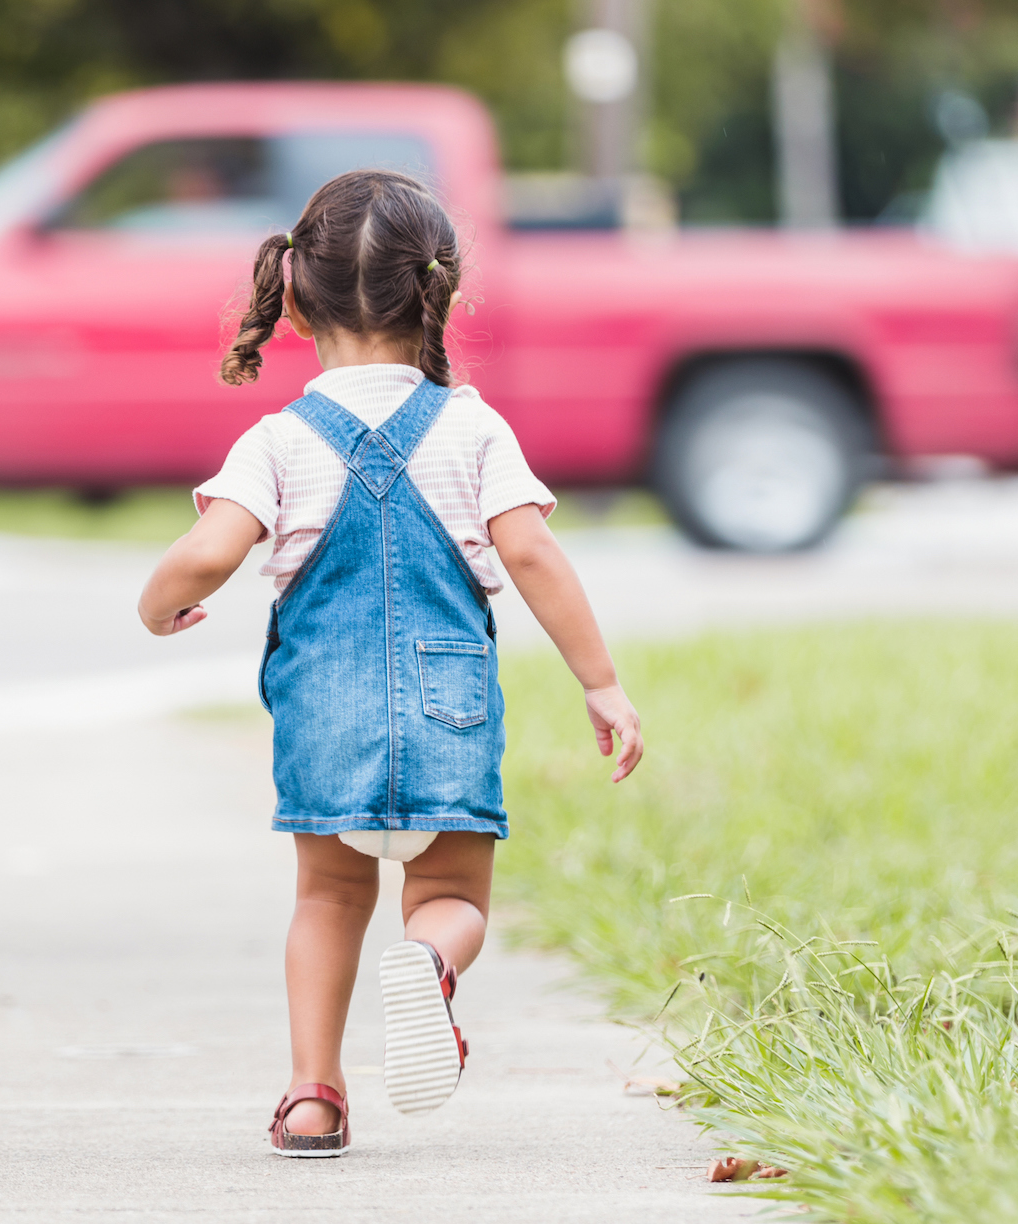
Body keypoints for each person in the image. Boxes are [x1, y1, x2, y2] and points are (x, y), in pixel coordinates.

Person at [136, 169, 644, 1157]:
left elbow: (207, 553)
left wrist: (159, 607)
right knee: (451, 896)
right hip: (447, 705)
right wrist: (600, 682)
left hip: (325, 718)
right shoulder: (473, 428)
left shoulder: (279, 443)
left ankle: (311, 1096)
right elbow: (534, 554)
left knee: (327, 899)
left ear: (292, 301)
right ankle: (429, 962)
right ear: (437, 296)